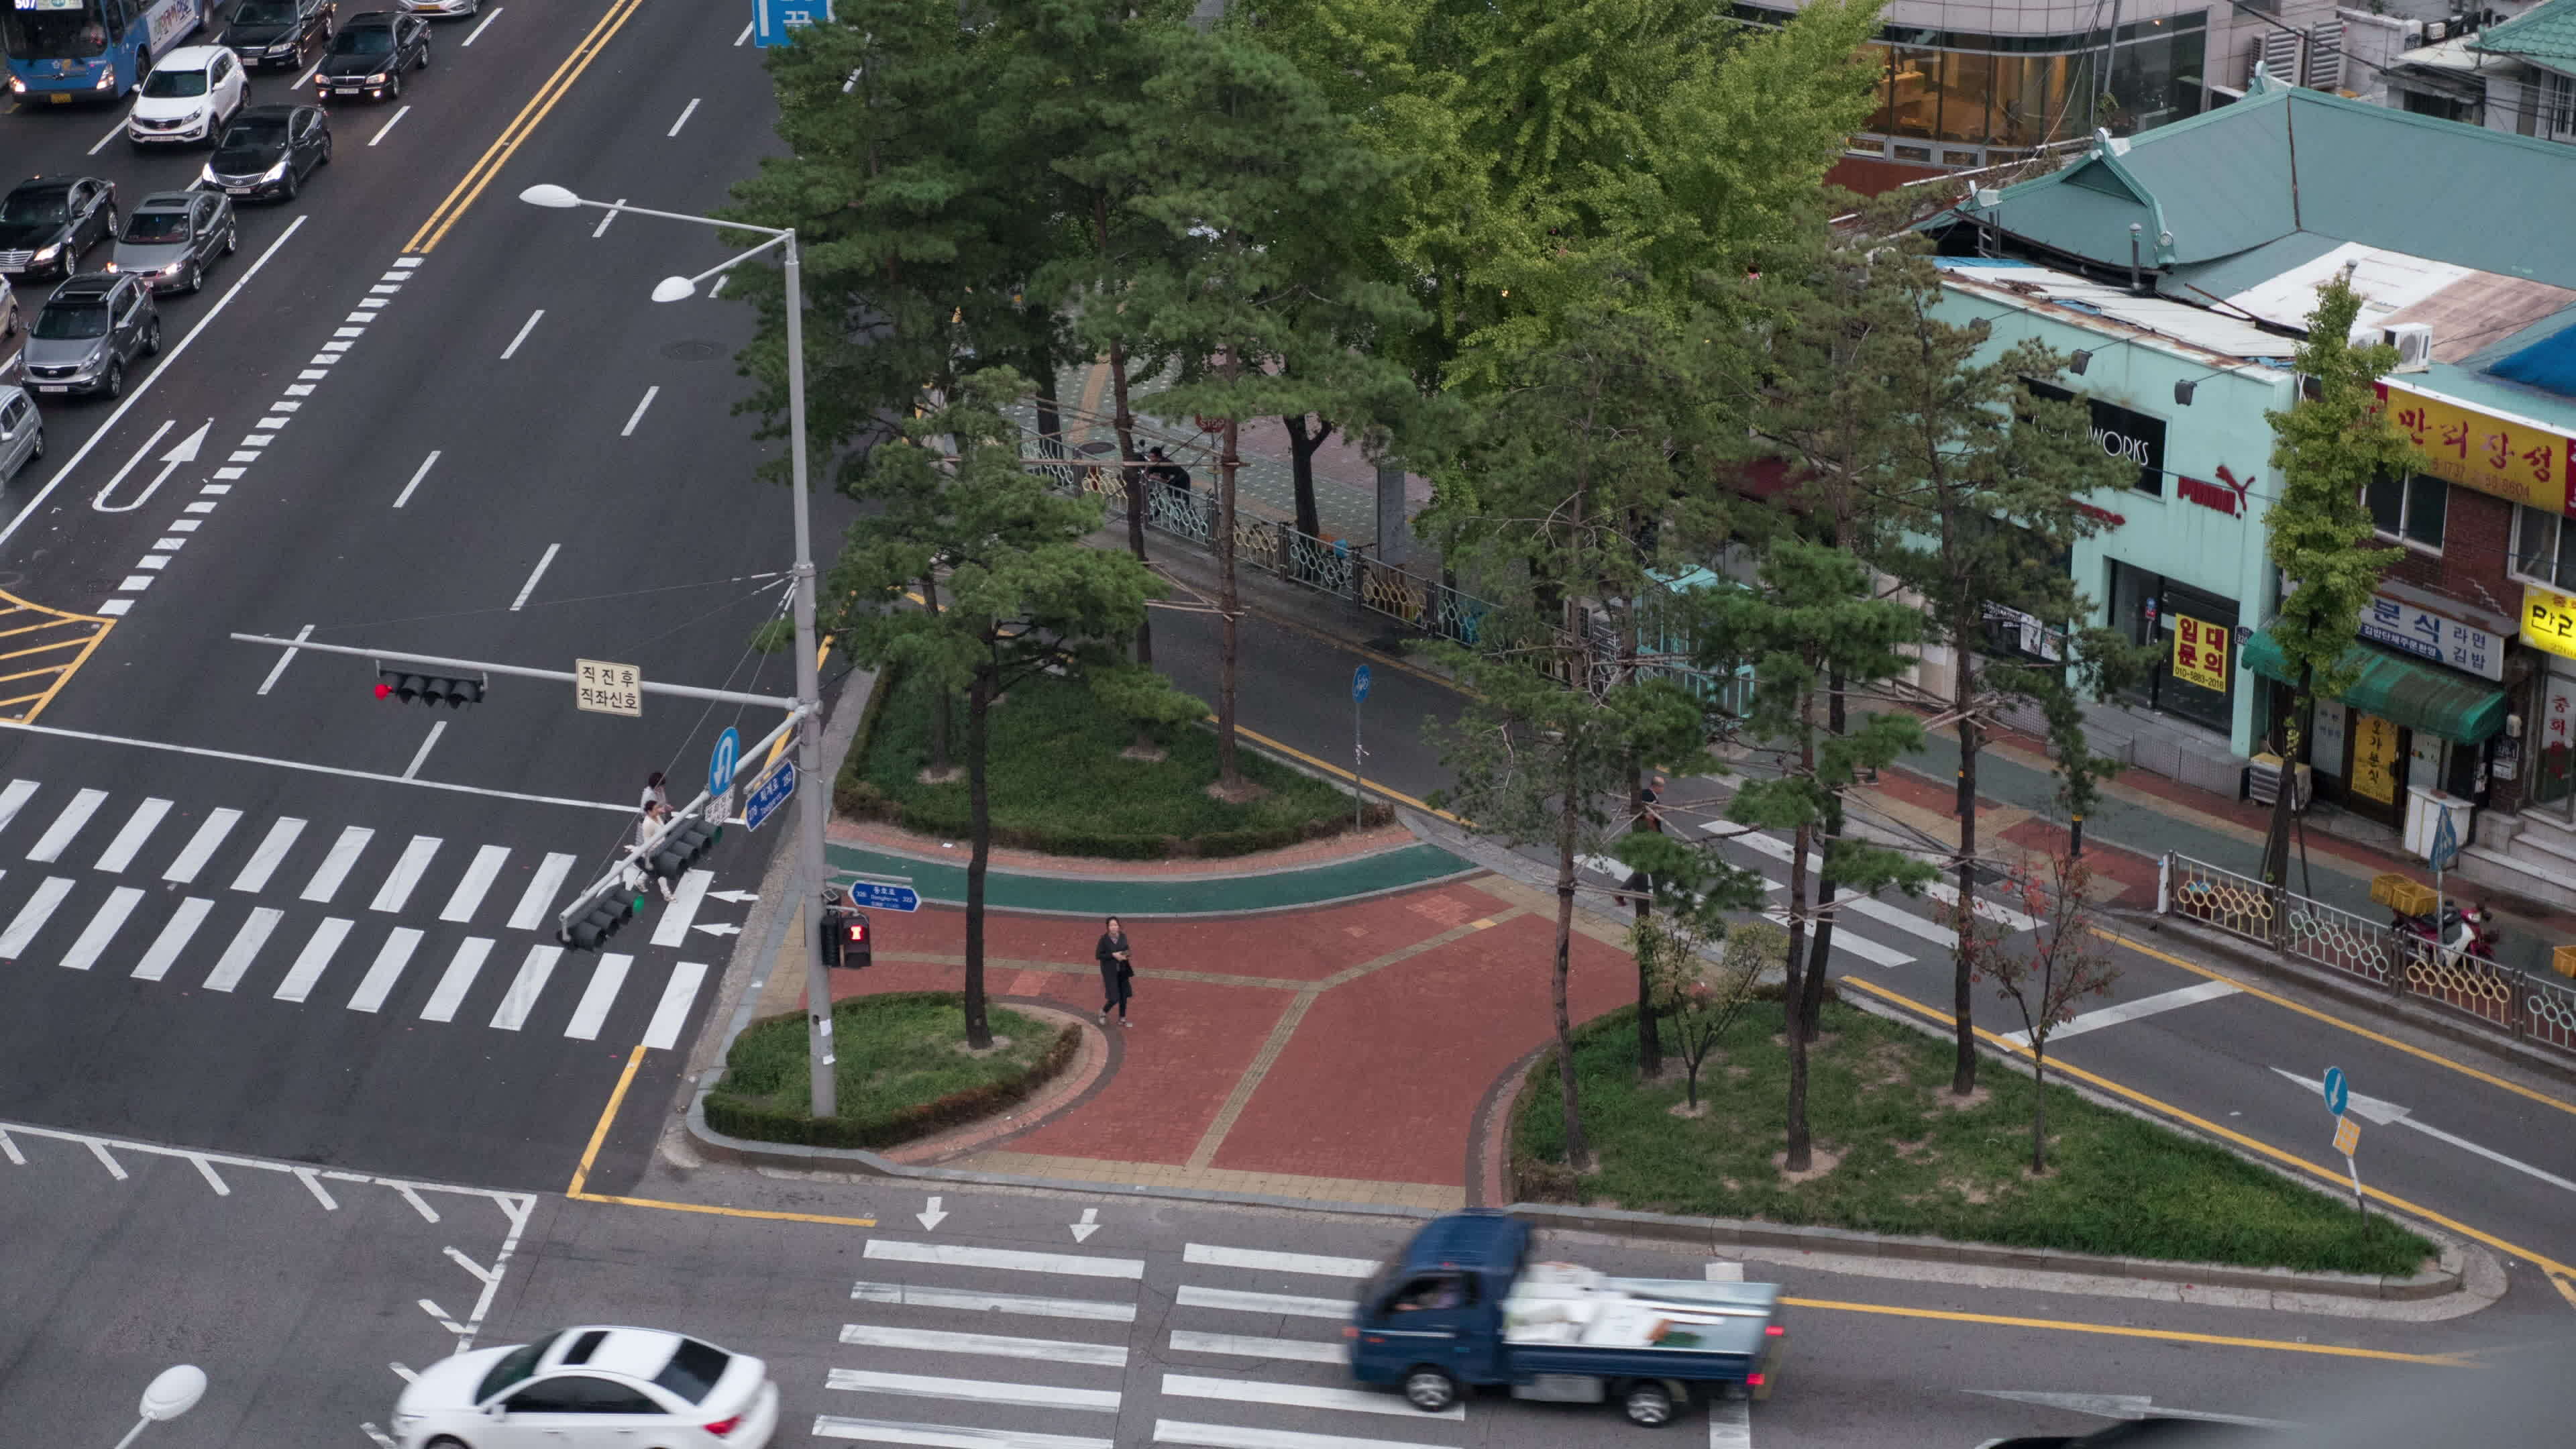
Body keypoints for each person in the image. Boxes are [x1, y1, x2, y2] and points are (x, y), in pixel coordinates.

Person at [1094, 915, 1134, 1026]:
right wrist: (1113, 955)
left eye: (1115, 925)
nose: (1113, 927)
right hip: (1110, 972)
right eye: (1111, 925)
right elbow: (1098, 955)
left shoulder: (1123, 937)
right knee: (1114, 997)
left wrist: (1123, 955)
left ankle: (1122, 1019)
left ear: (1118, 926)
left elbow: (1128, 951)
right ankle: (1103, 1012)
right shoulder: (1104, 940)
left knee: (1124, 995)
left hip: (1122, 970)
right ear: (1108, 927)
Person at [636, 800, 676, 902]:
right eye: (656, 809)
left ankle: (640, 881)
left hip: (662, 847)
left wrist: (665, 810)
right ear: (649, 812)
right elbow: (647, 843)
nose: (658, 810)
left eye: (658, 807)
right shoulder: (648, 824)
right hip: (655, 852)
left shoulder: (656, 816)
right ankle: (667, 894)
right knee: (661, 873)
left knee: (654, 870)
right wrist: (648, 859)